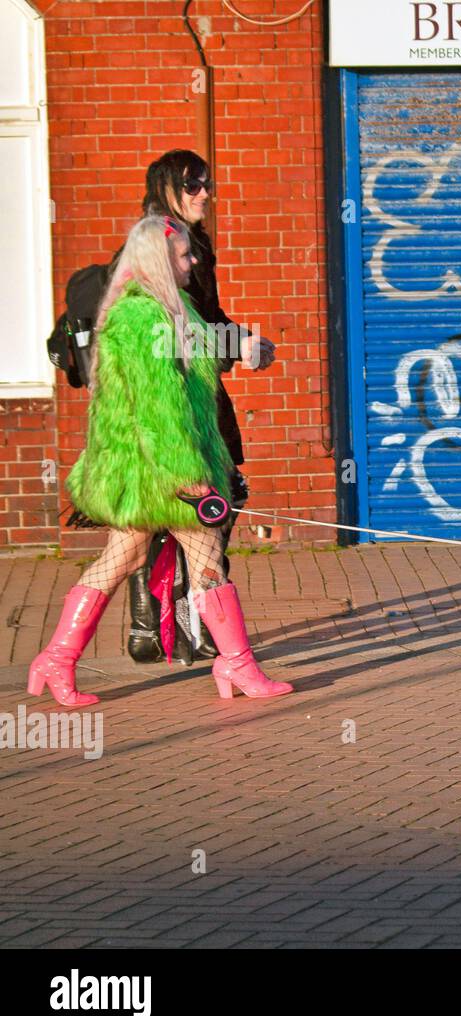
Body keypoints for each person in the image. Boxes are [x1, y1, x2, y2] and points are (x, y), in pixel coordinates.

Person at [29, 215, 292, 706]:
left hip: (143, 471)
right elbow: (158, 411)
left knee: (122, 557)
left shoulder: (164, 311)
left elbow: (193, 348)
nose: (193, 261)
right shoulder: (144, 318)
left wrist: (242, 345)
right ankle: (237, 666)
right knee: (206, 555)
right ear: (158, 260)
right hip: (162, 469)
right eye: (185, 254)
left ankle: (56, 659)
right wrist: (188, 479)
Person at [124, 149, 277, 664]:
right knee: (209, 501)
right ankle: (183, 617)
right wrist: (237, 345)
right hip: (169, 399)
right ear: (168, 188)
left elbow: (205, 316)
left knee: (174, 513)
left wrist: (241, 340)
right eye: (194, 185)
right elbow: (171, 333)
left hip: (196, 391)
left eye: (207, 183)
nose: (205, 194)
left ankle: (157, 621)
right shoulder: (158, 243)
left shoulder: (191, 243)